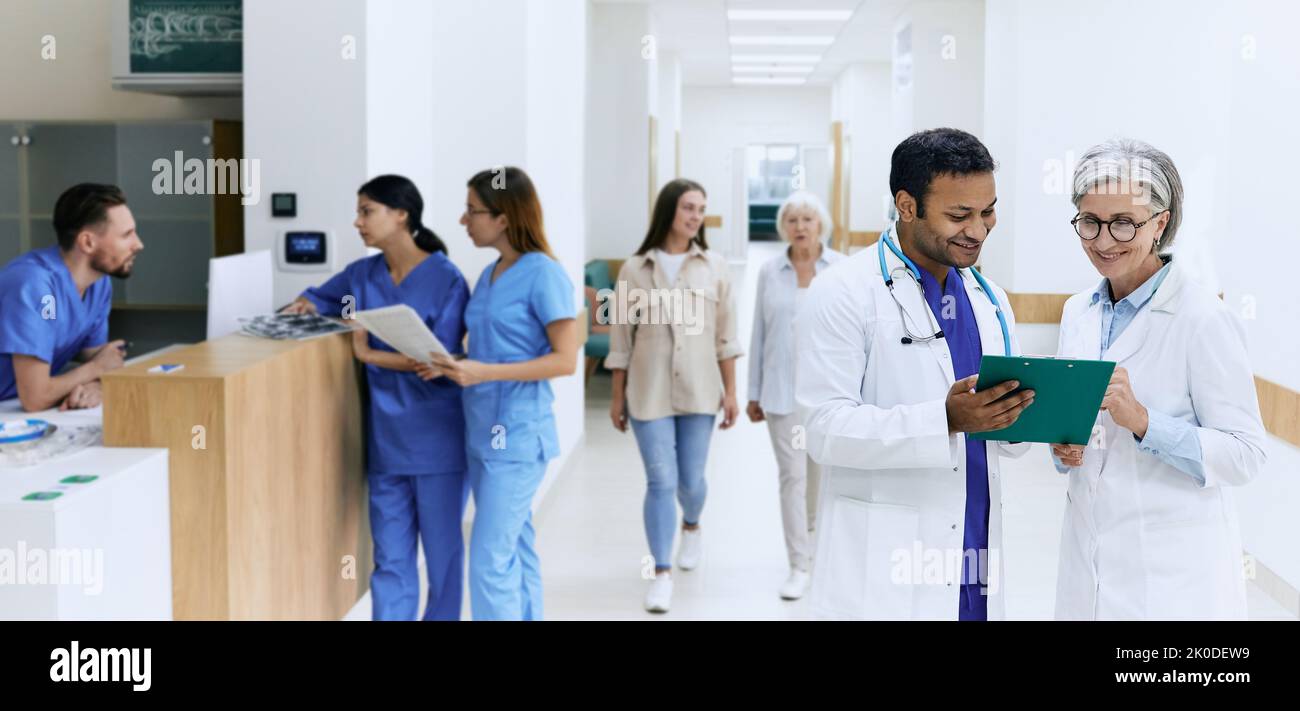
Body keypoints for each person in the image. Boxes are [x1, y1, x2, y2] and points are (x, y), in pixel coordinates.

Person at [796, 128, 1033, 620]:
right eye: (958, 215)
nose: (979, 229)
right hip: (889, 553)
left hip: (974, 538)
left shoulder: (990, 301)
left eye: (988, 210)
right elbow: (822, 430)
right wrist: (943, 419)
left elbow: (1006, 439)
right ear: (907, 205)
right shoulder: (843, 292)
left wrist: (1036, 417)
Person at [1050, 139, 1267, 620]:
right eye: (1089, 222)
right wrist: (1063, 448)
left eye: (1123, 223)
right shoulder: (1077, 313)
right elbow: (1078, 441)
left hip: (1174, 577)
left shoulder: (1203, 319)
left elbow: (1246, 454)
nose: (1103, 242)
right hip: (1088, 561)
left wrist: (1145, 421)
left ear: (1160, 224)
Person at [282, 175, 470, 621]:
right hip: (386, 444)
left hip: (437, 441)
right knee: (390, 560)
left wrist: (369, 355)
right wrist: (303, 305)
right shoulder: (361, 274)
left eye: (367, 211)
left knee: (443, 560)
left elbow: (440, 362)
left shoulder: (446, 279)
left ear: (401, 214)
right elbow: (319, 298)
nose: (357, 221)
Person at [416, 167, 577, 621]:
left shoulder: (544, 274)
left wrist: (484, 371)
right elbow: (486, 348)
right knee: (515, 546)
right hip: (480, 431)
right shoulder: (489, 274)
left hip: (518, 437)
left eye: (473, 211)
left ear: (504, 217)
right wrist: (450, 363)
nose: (464, 220)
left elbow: (565, 360)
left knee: (489, 559)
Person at [605, 178, 743, 613]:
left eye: (701, 209)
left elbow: (726, 336)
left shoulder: (714, 266)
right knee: (660, 480)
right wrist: (616, 396)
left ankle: (693, 524)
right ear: (669, 210)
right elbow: (620, 341)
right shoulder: (633, 269)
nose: (696, 216)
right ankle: (660, 572)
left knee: (691, 481)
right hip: (648, 393)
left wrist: (732, 392)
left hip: (701, 390)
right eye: (688, 207)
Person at [745, 190, 844, 601]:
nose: (800, 227)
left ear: (820, 223)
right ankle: (798, 565)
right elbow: (758, 333)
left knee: (822, 479)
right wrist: (752, 391)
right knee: (793, 479)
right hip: (781, 395)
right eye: (792, 220)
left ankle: (820, 553)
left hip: (827, 395)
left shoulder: (840, 268)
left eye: (808, 219)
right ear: (784, 227)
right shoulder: (771, 271)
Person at [0, 183, 142, 412]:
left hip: (11, 409)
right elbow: (36, 398)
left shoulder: (98, 283)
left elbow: (100, 356)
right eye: (127, 235)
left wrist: (97, 384)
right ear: (87, 242)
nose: (138, 244)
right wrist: (95, 369)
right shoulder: (36, 286)